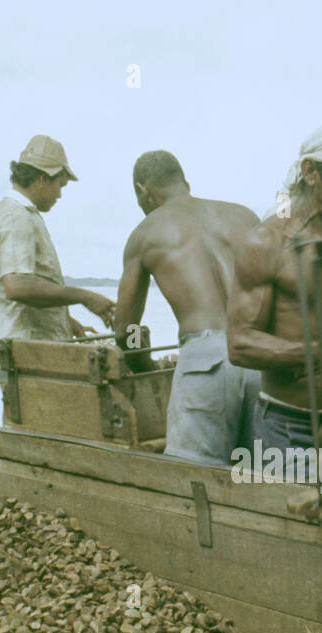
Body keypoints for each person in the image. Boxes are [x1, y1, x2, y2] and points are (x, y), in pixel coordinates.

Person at [227, 121, 322, 476]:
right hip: (292, 429)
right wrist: (318, 352)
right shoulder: (267, 242)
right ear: (311, 172)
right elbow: (240, 344)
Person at [114, 151, 261, 463]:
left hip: (205, 362)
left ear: (144, 190)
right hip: (261, 354)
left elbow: (126, 328)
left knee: (191, 480)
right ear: (184, 183)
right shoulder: (244, 216)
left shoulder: (144, 234)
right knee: (262, 476)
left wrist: (143, 363)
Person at [0, 135, 116, 422]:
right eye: (59, 186)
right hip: (24, 355)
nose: (60, 194)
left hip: (31, 352)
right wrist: (84, 297)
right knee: (36, 432)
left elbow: (31, 284)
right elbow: (17, 286)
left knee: (32, 429)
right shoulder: (17, 217)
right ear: (41, 179)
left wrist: (66, 320)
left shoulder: (21, 214)